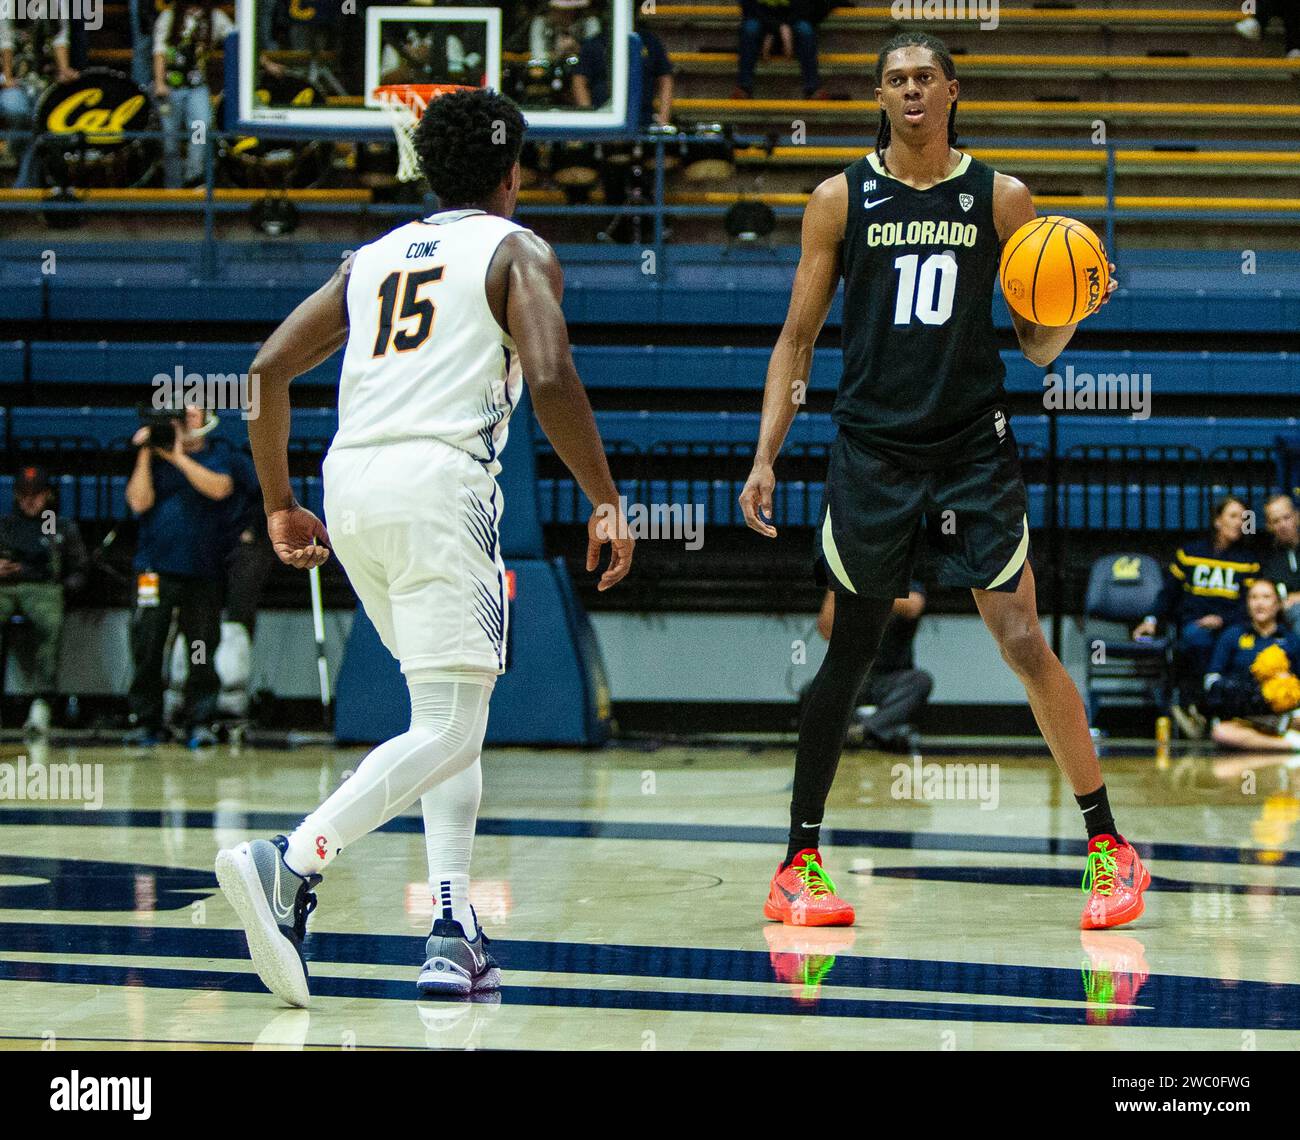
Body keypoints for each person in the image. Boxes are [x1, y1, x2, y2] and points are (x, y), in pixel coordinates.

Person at [215, 88, 633, 1007]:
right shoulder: (517, 250)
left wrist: (281, 503)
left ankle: (452, 930)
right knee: (450, 722)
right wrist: (604, 496)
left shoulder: (367, 260)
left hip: (350, 485)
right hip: (441, 487)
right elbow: (554, 372)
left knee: (446, 710)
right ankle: (291, 861)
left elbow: (265, 370)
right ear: (513, 174)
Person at [737, 32, 1145, 933]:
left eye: (925, 78)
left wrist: (1070, 310)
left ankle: (1111, 848)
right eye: (895, 79)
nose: (910, 91)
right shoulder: (837, 200)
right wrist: (767, 453)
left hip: (970, 445)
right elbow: (796, 343)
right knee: (852, 646)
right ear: (879, 96)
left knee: (1021, 635)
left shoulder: (1003, 197)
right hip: (873, 450)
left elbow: (1035, 345)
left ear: (953, 91)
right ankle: (798, 862)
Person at [125, 403, 240, 747]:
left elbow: (220, 488)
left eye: (194, 414)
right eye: (181, 415)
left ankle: (200, 718)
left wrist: (177, 457)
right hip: (153, 569)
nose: (187, 421)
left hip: (202, 569)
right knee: (148, 642)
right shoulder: (153, 459)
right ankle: (146, 720)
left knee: (201, 646)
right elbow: (138, 502)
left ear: (207, 419)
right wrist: (147, 453)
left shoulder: (218, 454)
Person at [1131, 495, 1261, 736]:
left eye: (1244, 519)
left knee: (1234, 643)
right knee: (1195, 639)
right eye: (1233, 516)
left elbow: (1249, 605)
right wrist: (1151, 620)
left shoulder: (1248, 561)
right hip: (1194, 625)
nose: (1239, 523)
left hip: (1231, 626)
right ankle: (1201, 708)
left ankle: (1206, 709)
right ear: (1217, 520)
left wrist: (1222, 620)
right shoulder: (1190, 553)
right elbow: (1169, 593)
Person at [0, 466, 88, 737]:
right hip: (4, 588)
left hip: (43, 589)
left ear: (47, 495)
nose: (29, 500)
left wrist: (64, 587)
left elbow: (79, 569)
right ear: (15, 495)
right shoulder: (5, 524)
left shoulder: (57, 524)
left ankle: (42, 702)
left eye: (36, 494)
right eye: (24, 494)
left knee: (49, 621)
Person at [816, 583, 932, 752]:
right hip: (853, 678)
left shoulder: (905, 580)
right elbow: (826, 631)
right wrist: (836, 586)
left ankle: (863, 731)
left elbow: (914, 606)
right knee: (812, 689)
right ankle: (859, 729)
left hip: (891, 677)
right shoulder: (843, 581)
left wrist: (865, 591)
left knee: (920, 681)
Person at [1204, 579, 1300, 752]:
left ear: (1277, 604)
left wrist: (1286, 686)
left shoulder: (1291, 639)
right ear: (1247, 603)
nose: (1259, 603)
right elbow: (1212, 680)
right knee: (1221, 733)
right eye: (1254, 598)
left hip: (1282, 714)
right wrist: (1241, 692)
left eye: (1266, 597)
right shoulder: (1231, 636)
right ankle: (1290, 744)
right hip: (1243, 715)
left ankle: (1275, 735)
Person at [153, 0, 233, 187]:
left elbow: (239, 41)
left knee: (200, 130)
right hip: (170, 89)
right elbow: (159, 52)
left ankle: (193, 179)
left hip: (197, 89)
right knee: (170, 140)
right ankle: (172, 187)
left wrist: (265, 62)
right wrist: (159, 83)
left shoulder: (216, 17)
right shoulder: (168, 16)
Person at [0, 11, 77, 188]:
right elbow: (5, 41)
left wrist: (64, 69)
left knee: (40, 120)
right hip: (11, 82)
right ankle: (14, 147)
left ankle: (23, 188)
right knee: (17, 109)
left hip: (43, 83)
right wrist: (8, 76)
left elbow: (60, 40)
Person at [733, 0, 826, 100]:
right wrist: (775, 28)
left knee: (805, 30)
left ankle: (812, 88)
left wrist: (785, 26)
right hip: (762, 21)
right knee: (750, 29)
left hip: (791, 23)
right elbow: (749, 8)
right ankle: (744, 87)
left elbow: (805, 8)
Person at [1262, 492, 1300, 615]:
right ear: (1269, 526)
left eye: (1286, 517)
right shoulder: (1265, 555)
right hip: (1280, 617)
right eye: (1276, 521)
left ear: (1297, 517)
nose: (1283, 525)